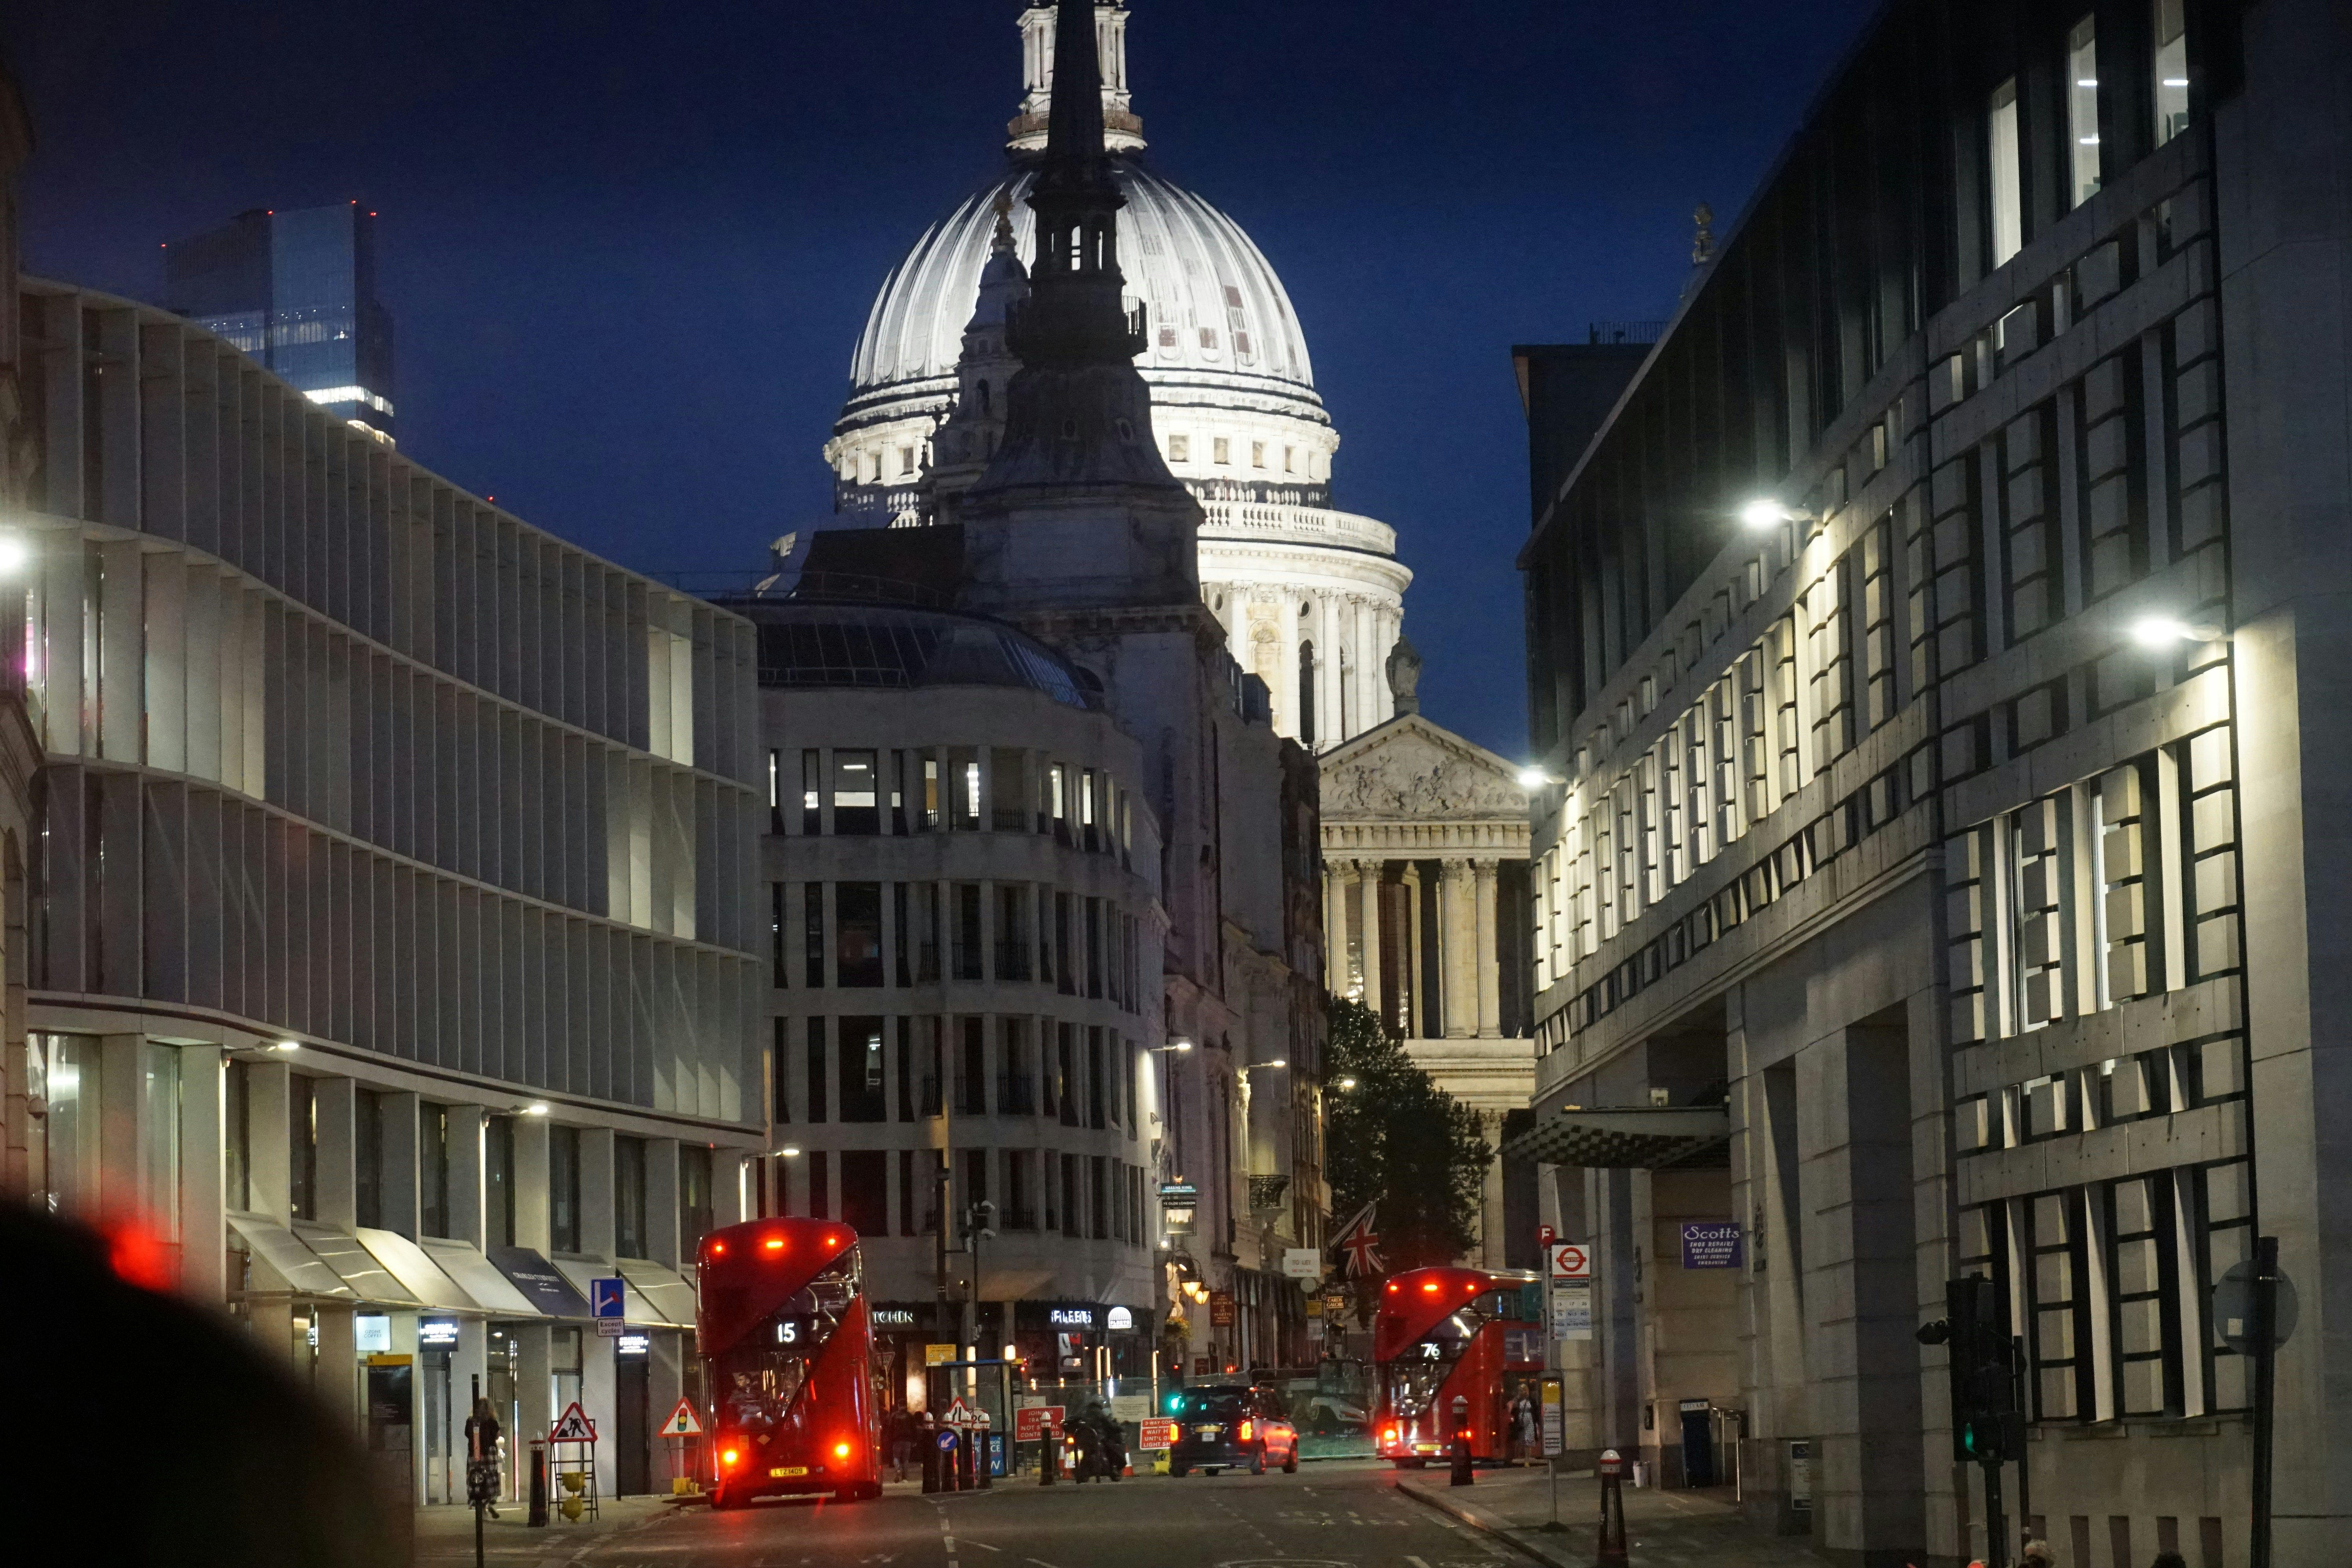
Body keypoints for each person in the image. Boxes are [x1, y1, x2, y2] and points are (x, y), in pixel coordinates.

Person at [463, 1396, 504, 1517]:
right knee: (490, 1476)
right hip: (489, 1453)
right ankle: (489, 1502)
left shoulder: (471, 1421)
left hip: (474, 1453)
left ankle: (478, 1503)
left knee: (475, 1477)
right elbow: (497, 1436)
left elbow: (467, 1435)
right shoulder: (492, 1421)